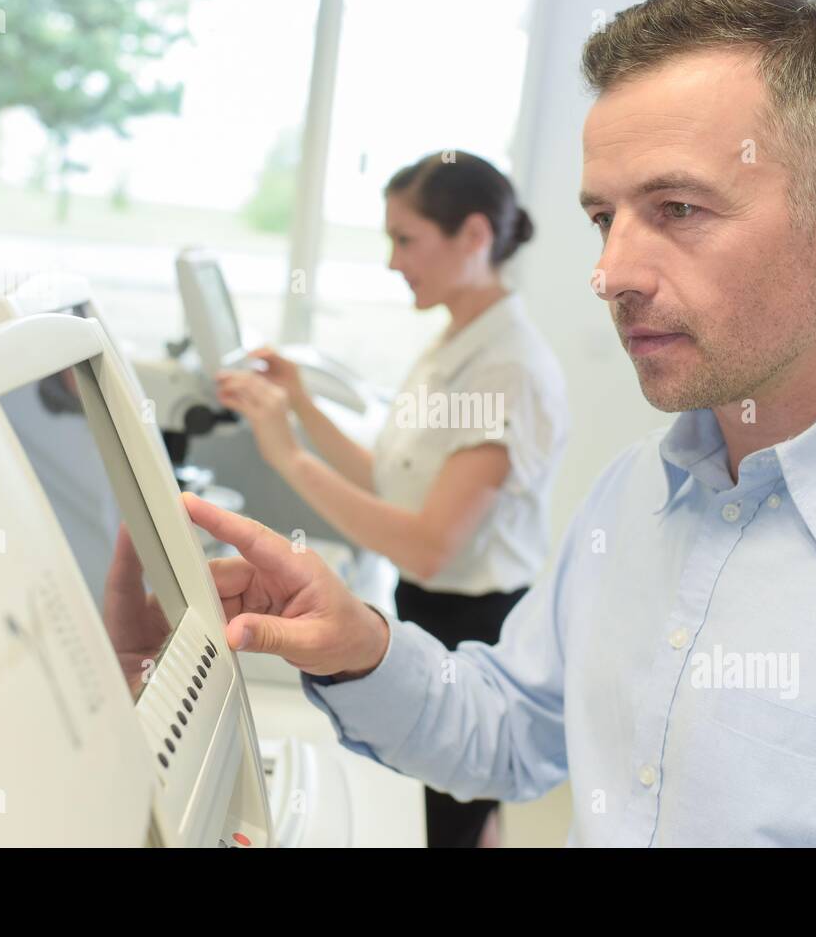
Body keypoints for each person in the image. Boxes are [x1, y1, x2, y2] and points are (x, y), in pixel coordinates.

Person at [182, 0, 816, 845]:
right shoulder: (637, 493)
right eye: (604, 218)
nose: (611, 272)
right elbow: (512, 728)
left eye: (678, 208)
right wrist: (362, 650)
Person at [214, 151, 567, 847]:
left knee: (450, 823)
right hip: (434, 607)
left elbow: (429, 543)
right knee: (461, 817)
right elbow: (392, 473)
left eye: (405, 239)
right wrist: (301, 404)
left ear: (473, 236)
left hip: (472, 619)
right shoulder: (457, 340)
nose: (392, 260)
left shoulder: (505, 368)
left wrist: (285, 453)